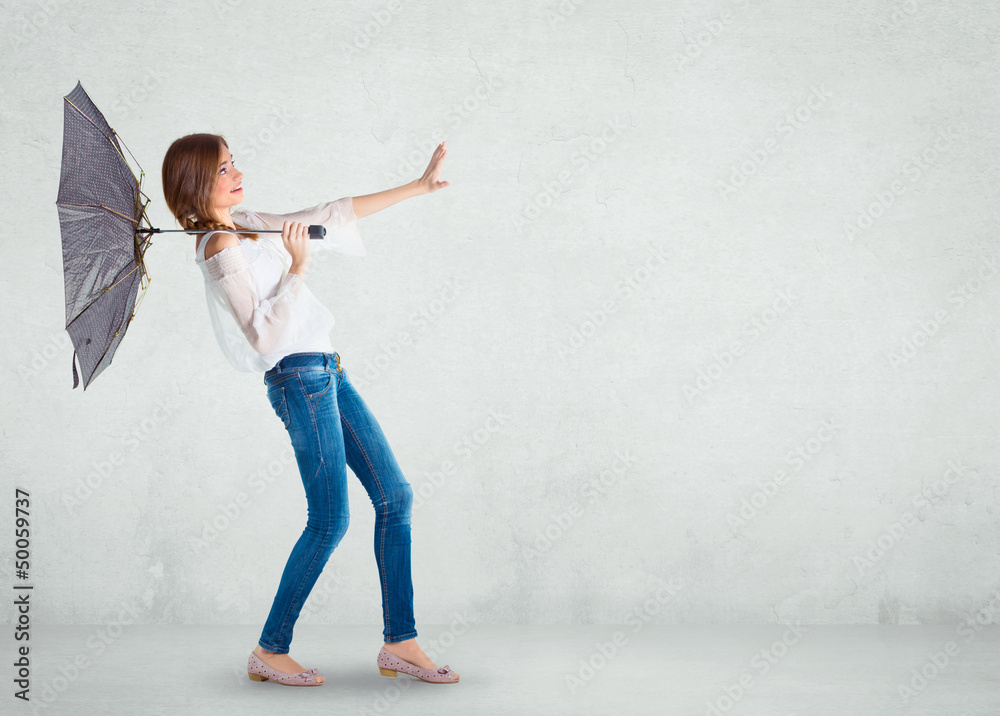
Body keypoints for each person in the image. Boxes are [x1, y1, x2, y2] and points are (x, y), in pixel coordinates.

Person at [160, 133, 459, 686]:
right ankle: (270, 650)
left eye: (233, 162)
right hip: (299, 378)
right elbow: (264, 336)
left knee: (394, 496)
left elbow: (325, 214)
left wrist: (417, 187)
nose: (236, 172)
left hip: (327, 371)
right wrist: (299, 267)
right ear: (198, 183)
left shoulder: (245, 221)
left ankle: (401, 641)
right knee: (330, 520)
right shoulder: (219, 246)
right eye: (224, 168)